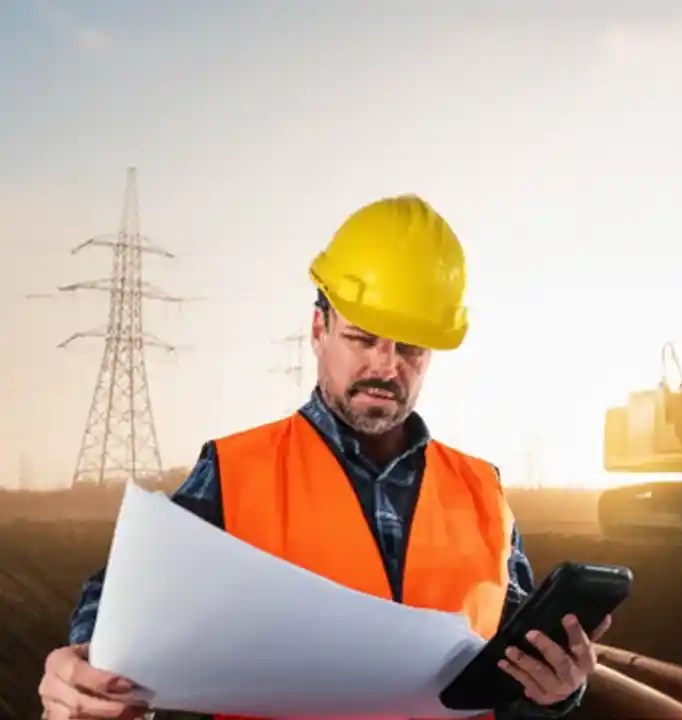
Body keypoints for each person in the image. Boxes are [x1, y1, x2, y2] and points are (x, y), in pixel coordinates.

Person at [38, 195, 610, 720]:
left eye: (409, 347)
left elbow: (512, 689)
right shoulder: (237, 471)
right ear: (320, 328)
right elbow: (125, 597)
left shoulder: (482, 490)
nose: (386, 367)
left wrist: (554, 693)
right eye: (363, 338)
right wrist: (86, 664)